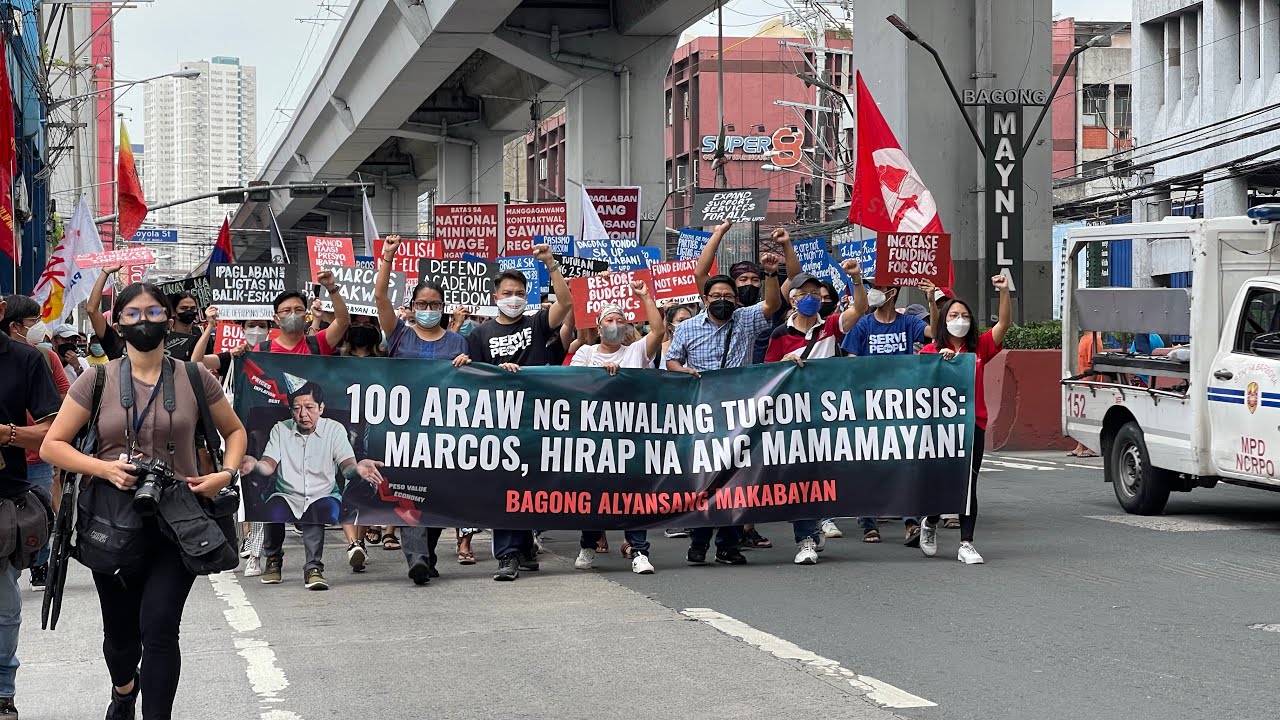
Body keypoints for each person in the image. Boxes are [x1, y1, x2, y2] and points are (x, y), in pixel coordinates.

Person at [40, 282, 246, 720]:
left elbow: (236, 431)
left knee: (159, 629)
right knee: (120, 639)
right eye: (132, 314)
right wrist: (104, 468)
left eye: (154, 312)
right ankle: (123, 688)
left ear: (169, 321)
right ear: (117, 323)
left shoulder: (195, 377)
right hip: (110, 522)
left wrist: (224, 474)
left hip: (180, 521)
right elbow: (52, 445)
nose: (144, 321)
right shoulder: (97, 379)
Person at [667, 235, 782, 566]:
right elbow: (671, 361)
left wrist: (771, 274)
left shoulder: (745, 320)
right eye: (716, 296)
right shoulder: (687, 328)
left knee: (735, 479)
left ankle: (729, 545)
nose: (723, 300)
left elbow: (772, 306)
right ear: (705, 299)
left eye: (729, 296)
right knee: (705, 479)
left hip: (739, 413)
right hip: (702, 413)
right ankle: (699, 542)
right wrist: (683, 370)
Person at [466, 243, 573, 582]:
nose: (514, 297)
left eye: (520, 292)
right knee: (505, 484)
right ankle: (508, 555)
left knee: (534, 483)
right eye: (508, 292)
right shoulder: (480, 333)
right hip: (501, 419)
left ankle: (525, 543)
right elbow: (476, 378)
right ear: (496, 296)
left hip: (538, 414)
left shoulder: (538, 323)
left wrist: (551, 265)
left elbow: (567, 303)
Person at [375, 235, 473, 584]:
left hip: (445, 432)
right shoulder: (400, 335)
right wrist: (388, 258)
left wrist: (465, 365)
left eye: (434, 303)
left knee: (435, 495)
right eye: (421, 303)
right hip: (405, 429)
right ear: (413, 306)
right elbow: (380, 297)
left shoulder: (458, 341)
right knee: (408, 492)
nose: (427, 308)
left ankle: (427, 556)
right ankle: (416, 558)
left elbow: (472, 385)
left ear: (443, 306)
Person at [765, 262, 869, 565]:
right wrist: (784, 360)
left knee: (824, 473)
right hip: (793, 416)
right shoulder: (779, 334)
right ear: (793, 299)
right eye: (805, 293)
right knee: (800, 476)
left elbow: (859, 309)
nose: (811, 297)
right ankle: (805, 538)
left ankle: (819, 518)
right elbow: (767, 372)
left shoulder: (830, 326)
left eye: (816, 293)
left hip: (826, 413)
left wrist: (856, 279)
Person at [240, 381, 385, 590]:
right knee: (271, 509)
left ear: (321, 408)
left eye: (309, 408)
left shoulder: (334, 429)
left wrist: (359, 468)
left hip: (323, 493)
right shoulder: (281, 429)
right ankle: (273, 560)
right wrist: (254, 464)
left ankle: (314, 568)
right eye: (297, 409)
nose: (303, 414)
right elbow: (268, 465)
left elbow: (347, 467)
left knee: (316, 510)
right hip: (287, 493)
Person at [570, 281, 665, 575]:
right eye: (609, 320)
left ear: (627, 327)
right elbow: (570, 384)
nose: (614, 325)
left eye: (620, 321)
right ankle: (587, 543)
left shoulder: (636, 352)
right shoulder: (586, 353)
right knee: (595, 495)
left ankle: (639, 550)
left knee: (635, 495)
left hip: (631, 434)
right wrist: (601, 376)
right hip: (594, 436)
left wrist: (644, 296)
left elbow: (659, 332)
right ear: (599, 328)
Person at [918, 275, 1012, 565]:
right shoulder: (930, 352)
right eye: (955, 315)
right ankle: (930, 521)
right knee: (943, 481)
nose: (960, 320)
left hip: (973, 425)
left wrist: (1004, 291)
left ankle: (966, 542)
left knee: (968, 482)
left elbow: (1003, 325)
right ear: (944, 320)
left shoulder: (979, 348)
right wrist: (938, 362)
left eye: (965, 316)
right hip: (940, 428)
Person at [0, 295, 61, 720]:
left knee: (4, 604)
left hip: (5, 499)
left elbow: (51, 431)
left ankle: (3, 689)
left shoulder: (27, 359)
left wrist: (5, 434)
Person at [841, 274, 936, 547]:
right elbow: (852, 365)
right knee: (869, 464)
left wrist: (931, 300)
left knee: (905, 464)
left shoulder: (909, 323)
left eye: (878, 288)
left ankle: (910, 521)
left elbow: (936, 333)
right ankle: (868, 522)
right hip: (869, 406)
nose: (873, 292)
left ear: (892, 293)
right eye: (871, 287)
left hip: (902, 403)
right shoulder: (863, 326)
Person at [2, 296, 71, 593]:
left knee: (37, 517)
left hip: (17, 478)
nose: (36, 328)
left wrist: (8, 434)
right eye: (33, 322)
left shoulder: (34, 358)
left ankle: (38, 563)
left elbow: (56, 421)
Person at [162, 292, 208, 361]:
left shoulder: (202, 333)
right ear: (174, 311)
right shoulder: (164, 335)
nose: (189, 312)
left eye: (192, 308)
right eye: (184, 308)